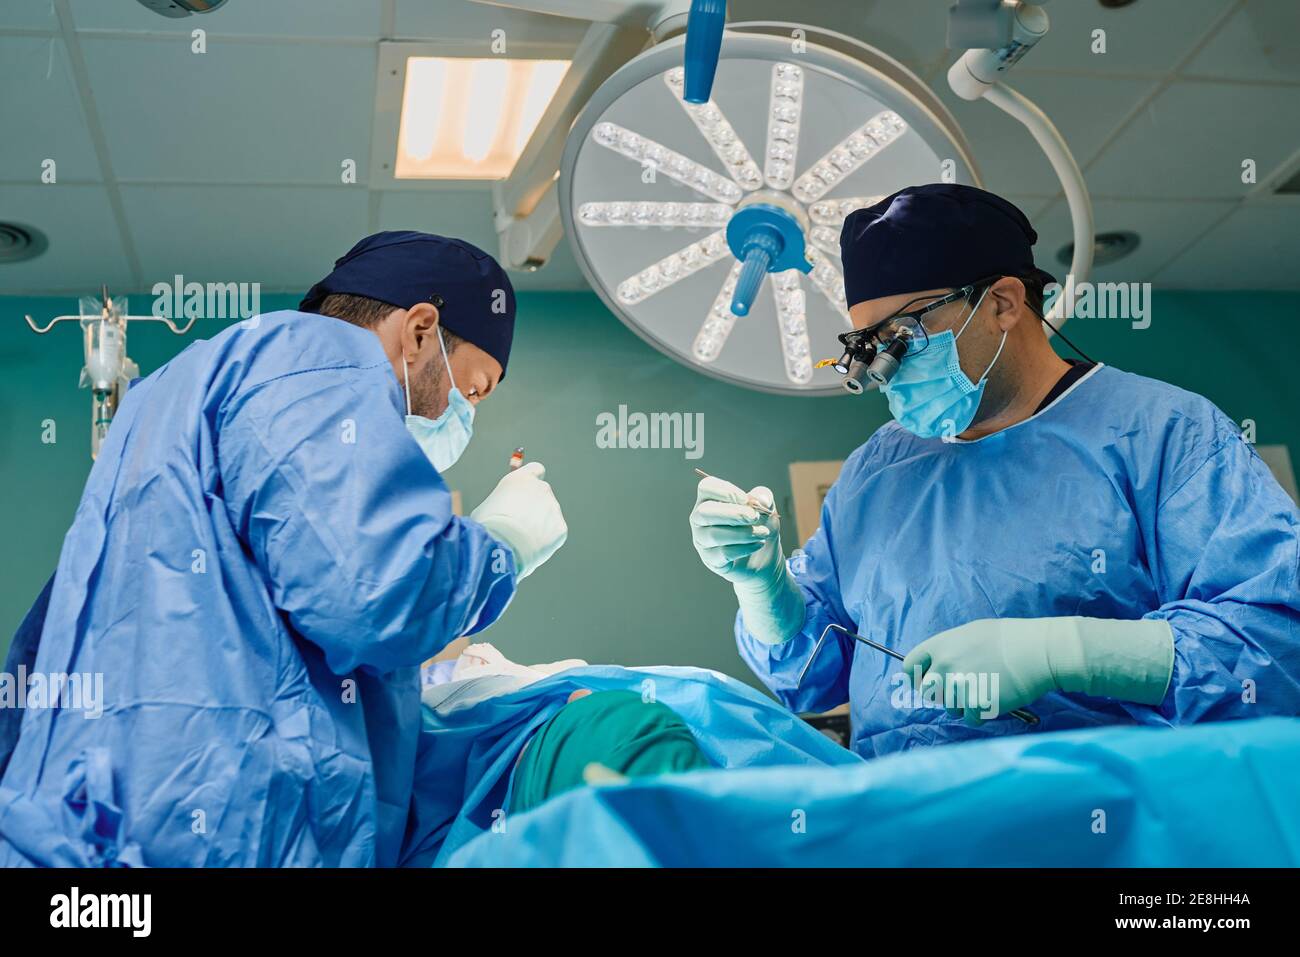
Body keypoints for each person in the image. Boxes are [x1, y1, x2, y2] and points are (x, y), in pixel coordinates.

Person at [0, 231, 567, 866]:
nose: (468, 414)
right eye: (475, 389)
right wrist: (501, 550)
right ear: (419, 330)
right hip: (218, 832)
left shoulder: (171, 394)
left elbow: (45, 643)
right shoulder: (318, 359)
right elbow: (374, 594)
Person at [689, 184, 1300, 757]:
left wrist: (1068, 653)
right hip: (910, 827)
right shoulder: (876, 470)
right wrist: (764, 585)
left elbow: (1274, 644)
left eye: (902, 334)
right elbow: (812, 679)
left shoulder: (1164, 433)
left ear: (1003, 303)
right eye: (868, 345)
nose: (884, 368)